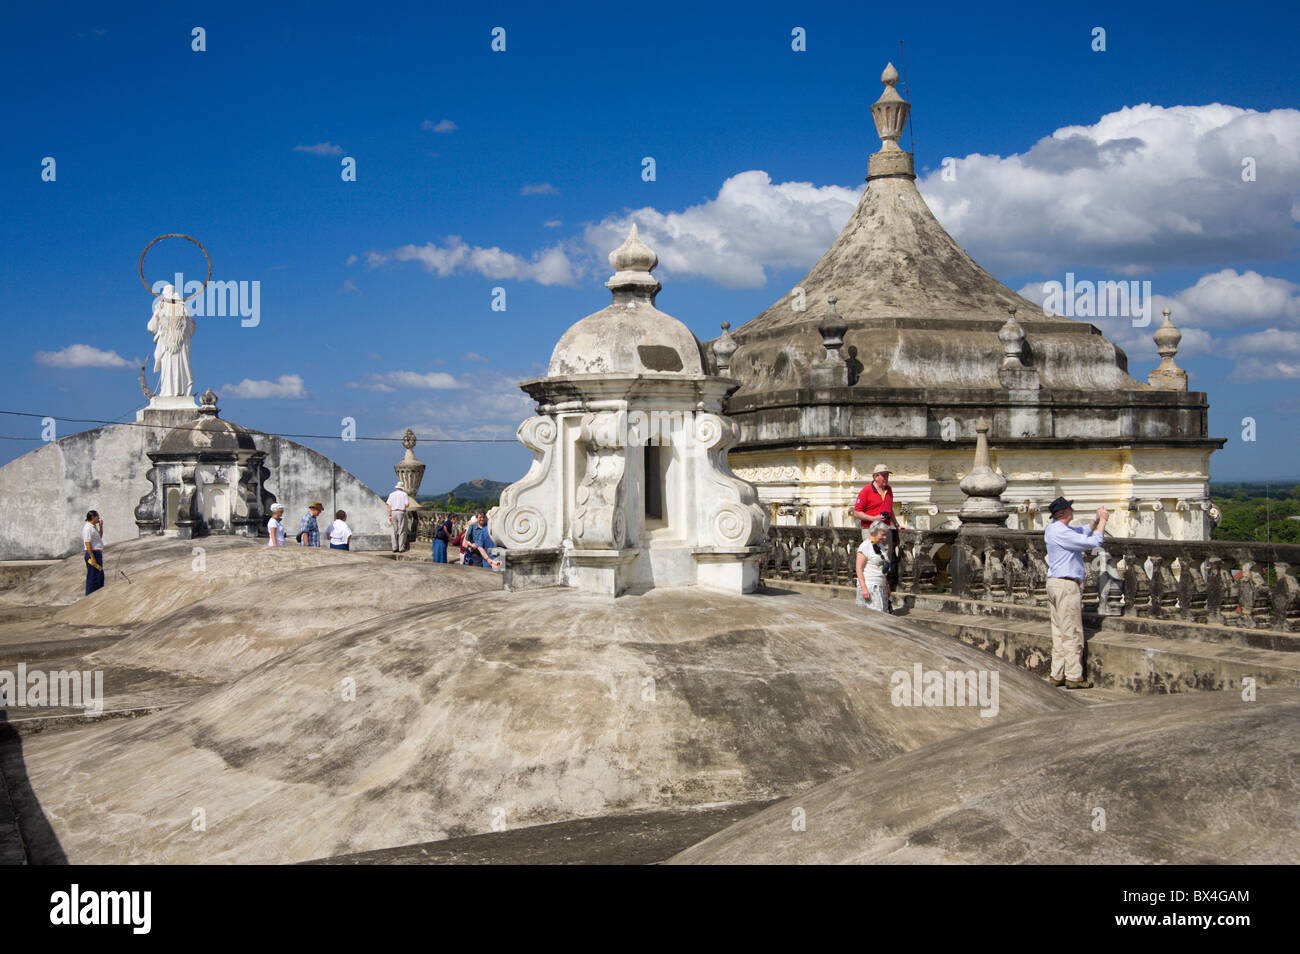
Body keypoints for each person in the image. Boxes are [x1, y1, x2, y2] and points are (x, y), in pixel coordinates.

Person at [1044, 496, 1107, 689]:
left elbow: (1081, 532)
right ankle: (1073, 677)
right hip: (1066, 585)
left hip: (1055, 583)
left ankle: (1057, 673)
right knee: (1071, 632)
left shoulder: (1055, 529)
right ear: (1062, 513)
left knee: (1059, 631)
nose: (1073, 510)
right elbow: (1093, 542)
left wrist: (1094, 522)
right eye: (1069, 508)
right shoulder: (1061, 533)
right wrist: (1103, 521)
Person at [853, 464, 907, 588]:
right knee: (871, 557)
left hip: (885, 531)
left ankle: (883, 584)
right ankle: (867, 584)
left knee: (885, 559)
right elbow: (857, 512)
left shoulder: (889, 490)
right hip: (870, 531)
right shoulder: (866, 491)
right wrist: (874, 518)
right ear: (875, 476)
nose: (886, 478)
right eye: (883, 475)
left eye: (887, 475)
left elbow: (890, 509)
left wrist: (897, 525)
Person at [855, 521, 890, 613]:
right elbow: (859, 568)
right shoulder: (865, 546)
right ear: (874, 533)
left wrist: (887, 585)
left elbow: (882, 568)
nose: (884, 537)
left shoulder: (881, 546)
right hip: (870, 586)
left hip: (880, 585)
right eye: (882, 535)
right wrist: (864, 588)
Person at [82, 510, 105, 596]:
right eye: (97, 517)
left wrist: (101, 527)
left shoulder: (93, 527)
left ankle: (97, 594)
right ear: (93, 517)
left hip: (97, 554)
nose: (98, 518)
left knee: (99, 576)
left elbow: (99, 537)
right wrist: (92, 557)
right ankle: (90, 595)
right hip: (93, 554)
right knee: (93, 577)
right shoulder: (87, 528)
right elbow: (87, 543)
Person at [387, 482, 411, 552]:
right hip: (401, 512)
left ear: (397, 487)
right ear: (402, 488)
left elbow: (389, 505)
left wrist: (389, 516)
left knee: (394, 530)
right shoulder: (404, 494)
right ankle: (401, 547)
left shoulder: (391, 494)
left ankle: (394, 547)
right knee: (402, 530)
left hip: (393, 512)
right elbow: (407, 505)